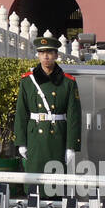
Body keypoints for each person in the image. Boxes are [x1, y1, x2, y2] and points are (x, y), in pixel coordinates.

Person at [13, 32, 82, 196]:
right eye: (42, 53)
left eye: (50, 53)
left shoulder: (68, 82)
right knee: (34, 184)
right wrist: (21, 142)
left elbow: (74, 116)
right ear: (38, 55)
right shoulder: (28, 81)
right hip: (35, 138)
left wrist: (71, 146)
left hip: (57, 138)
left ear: (56, 55)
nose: (46, 57)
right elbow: (21, 113)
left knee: (55, 184)